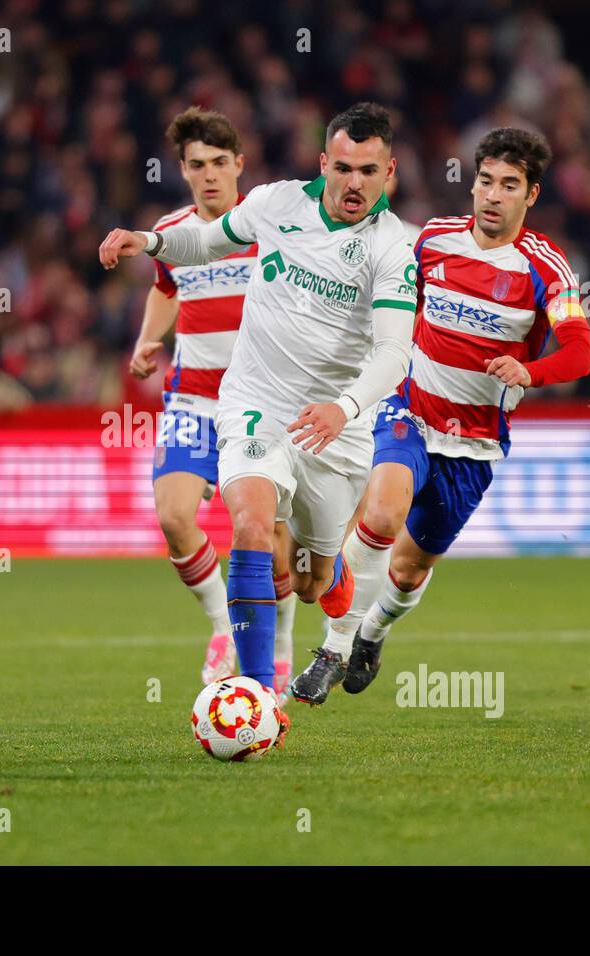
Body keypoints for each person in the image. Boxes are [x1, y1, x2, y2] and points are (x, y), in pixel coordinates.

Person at [101, 103, 418, 743]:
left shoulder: (394, 246)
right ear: (323, 164)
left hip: (336, 426)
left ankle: (338, 603)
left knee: (309, 579)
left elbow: (392, 351)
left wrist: (345, 408)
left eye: (370, 171)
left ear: (390, 172)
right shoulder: (276, 204)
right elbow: (209, 240)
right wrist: (152, 242)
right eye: (344, 169)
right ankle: (256, 693)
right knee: (248, 521)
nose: (355, 183)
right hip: (255, 401)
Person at [290, 127, 590, 704]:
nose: (492, 195)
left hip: (474, 443)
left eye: (509, 185)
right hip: (409, 411)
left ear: (531, 196)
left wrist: (532, 371)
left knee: (408, 570)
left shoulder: (547, 267)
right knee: (380, 515)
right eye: (485, 181)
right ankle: (332, 649)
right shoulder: (432, 240)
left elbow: (580, 349)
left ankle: (372, 634)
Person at [127, 106, 297, 694]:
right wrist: (150, 338)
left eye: (220, 163)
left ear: (240, 166)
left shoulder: (269, 229)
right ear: (182, 169)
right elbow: (164, 288)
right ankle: (225, 624)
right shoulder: (171, 233)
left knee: (271, 540)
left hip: (263, 403)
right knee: (174, 517)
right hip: (194, 401)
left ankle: (277, 650)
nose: (209, 175)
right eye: (196, 165)